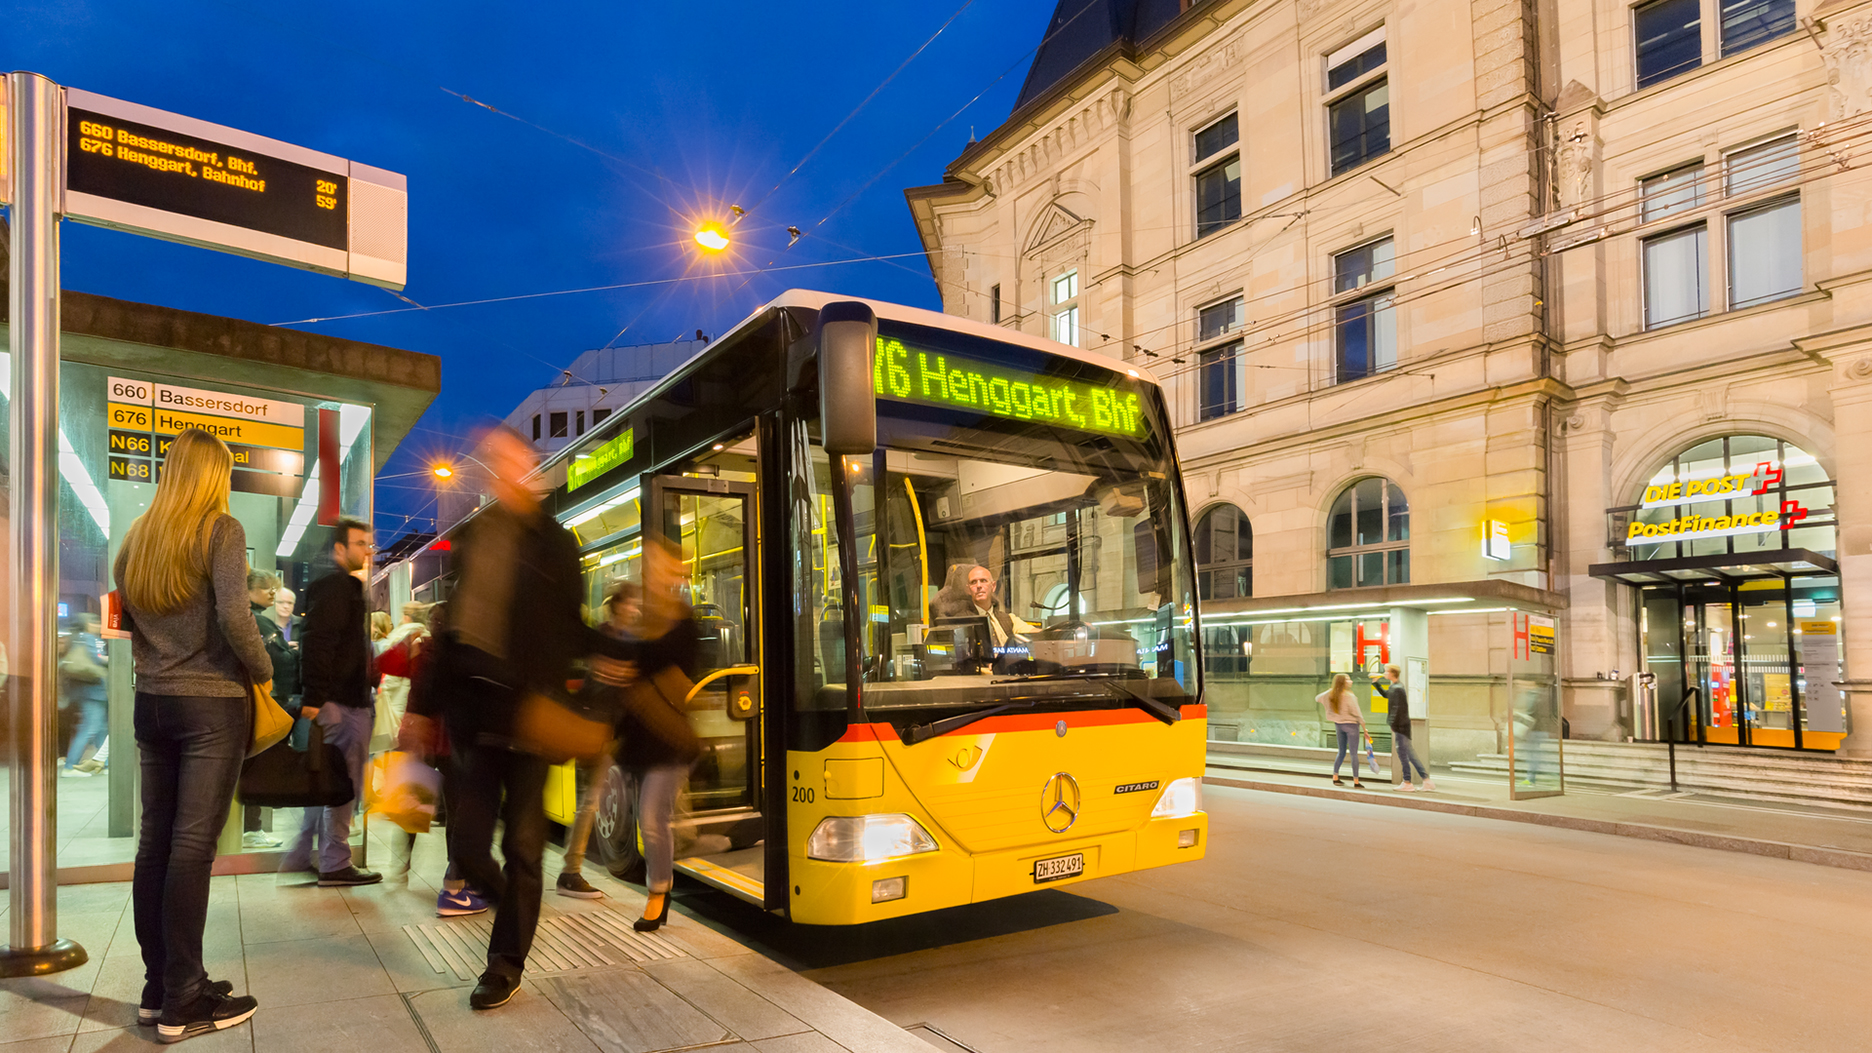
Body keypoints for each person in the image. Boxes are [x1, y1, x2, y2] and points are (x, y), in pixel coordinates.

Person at [423, 426, 630, 1010]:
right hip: (474, 714)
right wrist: (424, 708)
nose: (502, 471)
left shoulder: (555, 543)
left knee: (523, 843)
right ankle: (509, 902)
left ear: (529, 469)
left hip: (529, 715)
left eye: (511, 460)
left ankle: (504, 962)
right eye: (493, 462)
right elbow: (450, 629)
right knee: (465, 844)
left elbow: (567, 623)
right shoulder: (472, 537)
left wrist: (611, 650)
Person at [115, 427, 266, 1040]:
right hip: (210, 705)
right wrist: (263, 669)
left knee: (156, 844)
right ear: (213, 475)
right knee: (192, 848)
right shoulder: (220, 530)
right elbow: (234, 614)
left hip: (151, 705)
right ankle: (185, 997)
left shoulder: (138, 538)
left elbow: (126, 616)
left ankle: (160, 985)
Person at [601, 541, 701, 932]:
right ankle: (663, 884)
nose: (657, 575)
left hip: (671, 738)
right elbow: (623, 666)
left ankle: (658, 893)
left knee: (652, 817)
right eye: (653, 568)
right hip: (640, 738)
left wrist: (631, 671)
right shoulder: (640, 621)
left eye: (666, 569)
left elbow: (676, 675)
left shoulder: (683, 622)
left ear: (677, 574)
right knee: (653, 817)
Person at [279, 517, 381, 887]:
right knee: (343, 785)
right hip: (342, 703)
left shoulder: (342, 587)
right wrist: (315, 697)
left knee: (324, 781)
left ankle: (303, 852)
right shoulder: (338, 587)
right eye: (360, 544)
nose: (367, 550)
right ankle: (336, 861)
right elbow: (320, 643)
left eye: (369, 544)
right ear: (340, 549)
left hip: (340, 699)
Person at [398, 602, 491, 917]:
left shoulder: (420, 648)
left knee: (420, 802)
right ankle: (455, 887)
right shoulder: (452, 653)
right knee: (458, 813)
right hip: (448, 741)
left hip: (424, 738)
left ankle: (405, 860)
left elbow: (388, 669)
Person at [557, 582, 641, 899]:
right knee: (590, 801)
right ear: (618, 607)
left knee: (590, 801)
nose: (636, 609)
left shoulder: (627, 640)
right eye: (632, 603)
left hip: (614, 730)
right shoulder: (603, 640)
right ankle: (570, 871)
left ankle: (570, 869)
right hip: (600, 731)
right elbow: (602, 688)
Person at [242, 572, 288, 848]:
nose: (273, 594)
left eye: (275, 589)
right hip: (257, 701)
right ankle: (251, 829)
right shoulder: (253, 620)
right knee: (253, 766)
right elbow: (271, 663)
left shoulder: (253, 618)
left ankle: (250, 827)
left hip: (252, 700)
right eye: (267, 588)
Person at [934, 564, 1037, 649]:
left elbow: (1036, 633)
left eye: (983, 581)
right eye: (973, 582)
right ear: (968, 590)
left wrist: (1052, 632)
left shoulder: (1009, 619)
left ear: (993, 586)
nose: (979, 586)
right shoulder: (961, 622)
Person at [59, 613, 110, 776]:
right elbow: (98, 659)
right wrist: (117, 657)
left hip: (84, 689)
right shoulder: (89, 638)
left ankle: (103, 763)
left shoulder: (76, 638)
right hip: (93, 690)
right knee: (89, 727)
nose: (97, 624)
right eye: (94, 622)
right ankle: (70, 766)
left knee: (101, 727)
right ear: (86, 624)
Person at [1385, 664, 1434, 792]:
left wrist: (1392, 724)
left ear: (1392, 673)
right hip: (1402, 726)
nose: (1385, 673)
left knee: (1403, 754)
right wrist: (1375, 683)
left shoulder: (1398, 688)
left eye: (1386, 671)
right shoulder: (1396, 687)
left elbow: (1397, 709)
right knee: (1409, 754)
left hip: (1401, 726)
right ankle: (1426, 780)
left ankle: (1407, 782)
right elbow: (1386, 695)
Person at [1317, 673, 1368, 789]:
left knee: (1341, 752)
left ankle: (1335, 777)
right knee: (1354, 753)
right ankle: (1356, 780)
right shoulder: (1350, 696)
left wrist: (1332, 690)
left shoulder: (1331, 694)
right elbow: (1358, 714)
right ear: (1343, 683)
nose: (1351, 681)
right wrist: (1365, 729)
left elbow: (1317, 698)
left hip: (1338, 725)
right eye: (1348, 679)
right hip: (1351, 726)